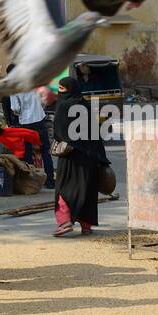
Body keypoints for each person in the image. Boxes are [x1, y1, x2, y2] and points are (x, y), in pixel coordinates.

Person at [52, 74, 106, 236]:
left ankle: (65, 222)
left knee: (63, 189)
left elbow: (59, 133)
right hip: (89, 157)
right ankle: (86, 226)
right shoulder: (85, 105)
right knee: (87, 190)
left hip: (70, 157)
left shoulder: (63, 106)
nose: (59, 93)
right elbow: (95, 133)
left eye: (61, 89)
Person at [5, 72, 54, 187]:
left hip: (26, 122)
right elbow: (44, 101)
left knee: (27, 153)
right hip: (40, 120)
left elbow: (15, 108)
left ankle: (32, 181)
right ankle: (50, 181)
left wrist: (20, 113)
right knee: (45, 152)